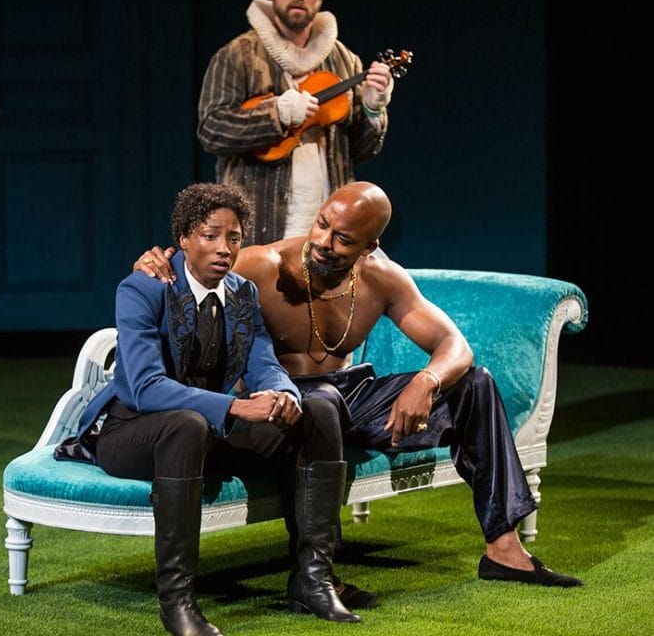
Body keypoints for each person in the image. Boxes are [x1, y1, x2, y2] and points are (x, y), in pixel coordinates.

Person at [134, 181, 584, 591]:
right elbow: (192, 268)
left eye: (344, 239)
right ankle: (317, 573)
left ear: (370, 246)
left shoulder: (381, 278)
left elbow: (454, 345)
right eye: (322, 225)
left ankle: (504, 550)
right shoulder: (263, 265)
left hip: (350, 396)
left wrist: (426, 381)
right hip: (284, 403)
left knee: (475, 384)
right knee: (323, 400)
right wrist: (153, 262)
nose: (323, 242)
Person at [59, 183, 363, 636]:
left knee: (317, 407)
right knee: (186, 424)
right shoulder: (143, 288)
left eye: (234, 238)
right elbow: (144, 387)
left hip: (207, 431)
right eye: (210, 235)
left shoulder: (242, 293)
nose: (224, 248)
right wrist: (236, 406)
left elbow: (263, 362)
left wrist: (282, 395)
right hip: (132, 431)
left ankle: (313, 580)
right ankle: (178, 601)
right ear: (183, 238)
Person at [197, 0, 398, 246]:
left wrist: (374, 111)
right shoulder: (237, 56)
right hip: (260, 225)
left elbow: (358, 152)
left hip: (327, 230)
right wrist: (275, 115)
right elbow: (212, 130)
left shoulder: (345, 61)